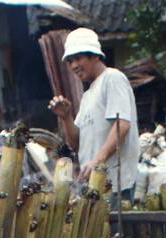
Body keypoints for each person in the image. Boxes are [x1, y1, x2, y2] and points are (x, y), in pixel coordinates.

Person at [48, 28, 138, 197]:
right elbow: (75, 142)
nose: (74, 65)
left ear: (95, 56)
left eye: (78, 58)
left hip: (115, 186)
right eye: (70, 61)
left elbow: (122, 125)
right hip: (94, 186)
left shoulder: (112, 78)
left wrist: (97, 160)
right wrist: (66, 117)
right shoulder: (88, 95)